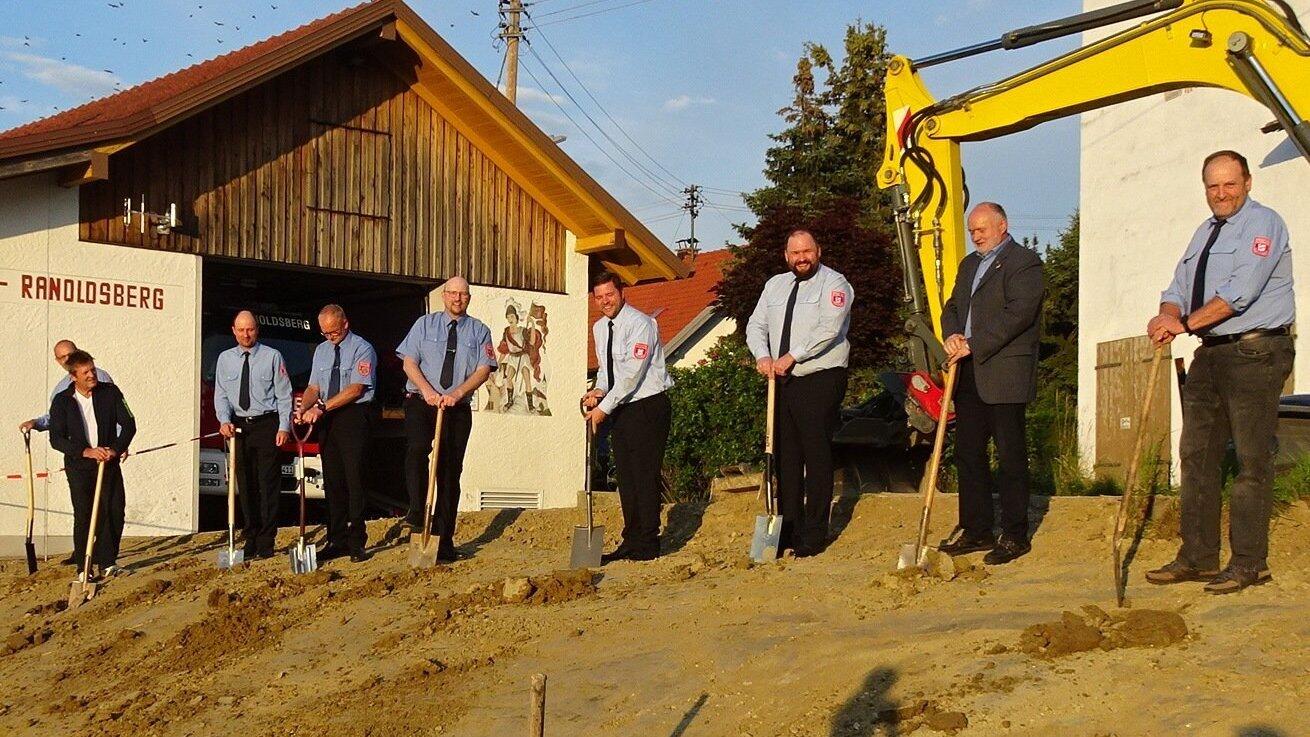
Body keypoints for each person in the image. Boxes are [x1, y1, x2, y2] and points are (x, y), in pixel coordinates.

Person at [1144, 150, 1295, 594]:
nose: (1221, 193)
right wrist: (1165, 315)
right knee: (1196, 456)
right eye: (1213, 186)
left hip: (1255, 352)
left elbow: (1241, 293)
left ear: (1247, 182)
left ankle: (1250, 563)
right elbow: (1177, 287)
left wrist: (1185, 323)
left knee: (1251, 460)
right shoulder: (1203, 233)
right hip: (1209, 353)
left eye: (1230, 184)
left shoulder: (1263, 223)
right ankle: (1198, 557)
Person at [939, 202, 1044, 565]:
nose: (976, 235)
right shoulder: (969, 266)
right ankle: (977, 528)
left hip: (1004, 372)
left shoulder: (1024, 263)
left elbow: (1018, 314)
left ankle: (1014, 534)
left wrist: (974, 343)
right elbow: (951, 306)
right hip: (967, 372)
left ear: (1002, 225)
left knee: (1010, 454)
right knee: (969, 453)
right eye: (972, 230)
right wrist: (952, 334)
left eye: (982, 228)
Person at [745, 229, 853, 557]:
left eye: (807, 251)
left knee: (815, 454)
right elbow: (756, 326)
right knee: (786, 457)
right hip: (782, 380)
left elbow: (829, 329)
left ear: (818, 250)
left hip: (819, 377)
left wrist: (792, 356)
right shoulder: (774, 285)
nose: (801, 258)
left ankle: (815, 533)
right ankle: (788, 529)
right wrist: (762, 356)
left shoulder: (835, 285)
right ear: (786, 255)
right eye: (795, 253)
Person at [396, 276, 496, 562]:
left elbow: (483, 369)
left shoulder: (479, 331)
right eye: (452, 293)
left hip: (457, 407)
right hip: (421, 402)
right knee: (417, 450)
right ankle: (417, 510)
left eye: (463, 295)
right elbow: (409, 362)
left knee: (450, 474)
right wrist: (428, 391)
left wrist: (457, 393)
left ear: (469, 298)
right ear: (444, 296)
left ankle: (444, 540)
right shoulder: (424, 325)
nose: (457, 299)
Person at [582, 271, 674, 563]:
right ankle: (631, 540)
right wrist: (596, 392)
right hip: (620, 407)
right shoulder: (599, 328)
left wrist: (603, 409)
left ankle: (648, 542)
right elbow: (608, 373)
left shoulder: (641, 324)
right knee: (626, 476)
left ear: (621, 293)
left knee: (644, 475)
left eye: (610, 294)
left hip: (647, 405)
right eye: (599, 297)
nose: (605, 301)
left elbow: (632, 375)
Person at [297, 304, 378, 564]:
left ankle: (357, 542)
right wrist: (305, 406)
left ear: (345, 324)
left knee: (354, 479)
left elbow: (356, 389)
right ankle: (336, 538)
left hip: (352, 416)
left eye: (333, 332)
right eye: (325, 333)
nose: (330, 337)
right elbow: (314, 386)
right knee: (332, 481)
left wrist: (321, 407)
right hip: (326, 418)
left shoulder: (362, 348)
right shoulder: (321, 351)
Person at [47, 351, 136, 580]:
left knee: (114, 510)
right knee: (84, 515)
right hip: (79, 467)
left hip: (108, 463)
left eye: (93, 370)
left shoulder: (110, 393)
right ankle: (83, 567)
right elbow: (56, 439)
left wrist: (114, 449)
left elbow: (128, 424)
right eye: (85, 372)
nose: (91, 375)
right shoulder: (62, 401)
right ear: (73, 376)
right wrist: (85, 451)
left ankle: (108, 562)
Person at [213, 311, 293, 560]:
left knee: (268, 484)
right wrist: (224, 421)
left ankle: (267, 540)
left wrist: (283, 427)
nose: (246, 335)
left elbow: (284, 394)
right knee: (246, 485)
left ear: (256, 330)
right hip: (239, 427)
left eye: (250, 330)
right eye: (241, 330)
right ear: (234, 330)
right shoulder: (225, 359)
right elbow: (221, 395)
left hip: (266, 424)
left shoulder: (272, 356)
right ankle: (250, 537)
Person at [20, 339, 114, 433]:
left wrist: (118, 445)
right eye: (63, 357)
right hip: (79, 445)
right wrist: (35, 423)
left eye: (70, 355)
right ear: (58, 361)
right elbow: (56, 417)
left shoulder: (98, 376)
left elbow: (113, 412)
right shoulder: (60, 389)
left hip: (105, 443)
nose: (67, 359)